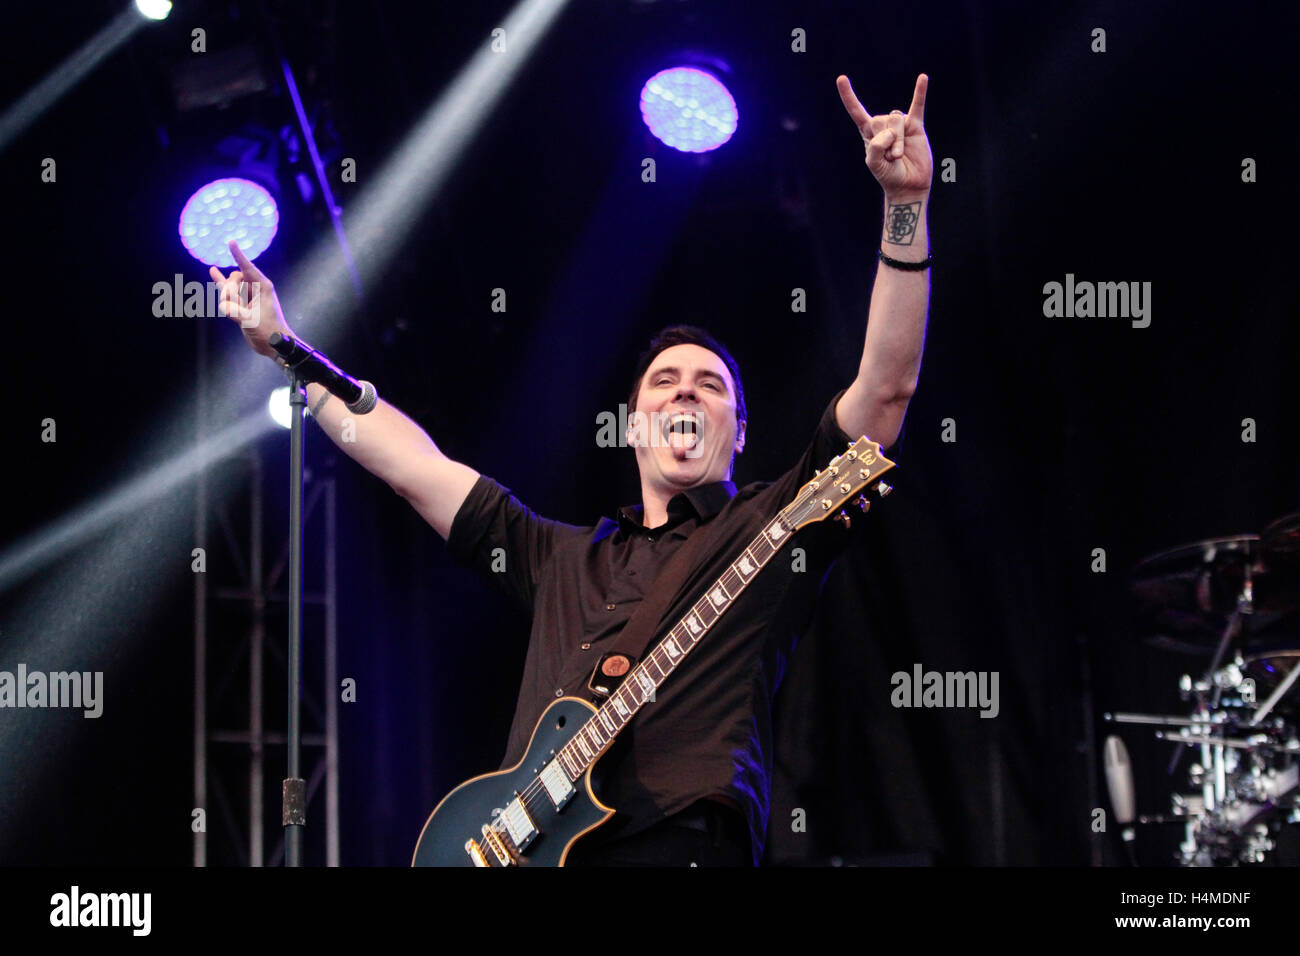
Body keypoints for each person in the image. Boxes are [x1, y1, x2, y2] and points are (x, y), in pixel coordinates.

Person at [212, 73, 933, 865]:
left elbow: (885, 392)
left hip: (681, 840)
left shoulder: (772, 528)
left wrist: (905, 207)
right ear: (634, 425)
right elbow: (413, 464)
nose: (685, 391)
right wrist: (286, 348)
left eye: (710, 387)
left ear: (739, 431)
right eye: (665, 382)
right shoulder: (560, 558)